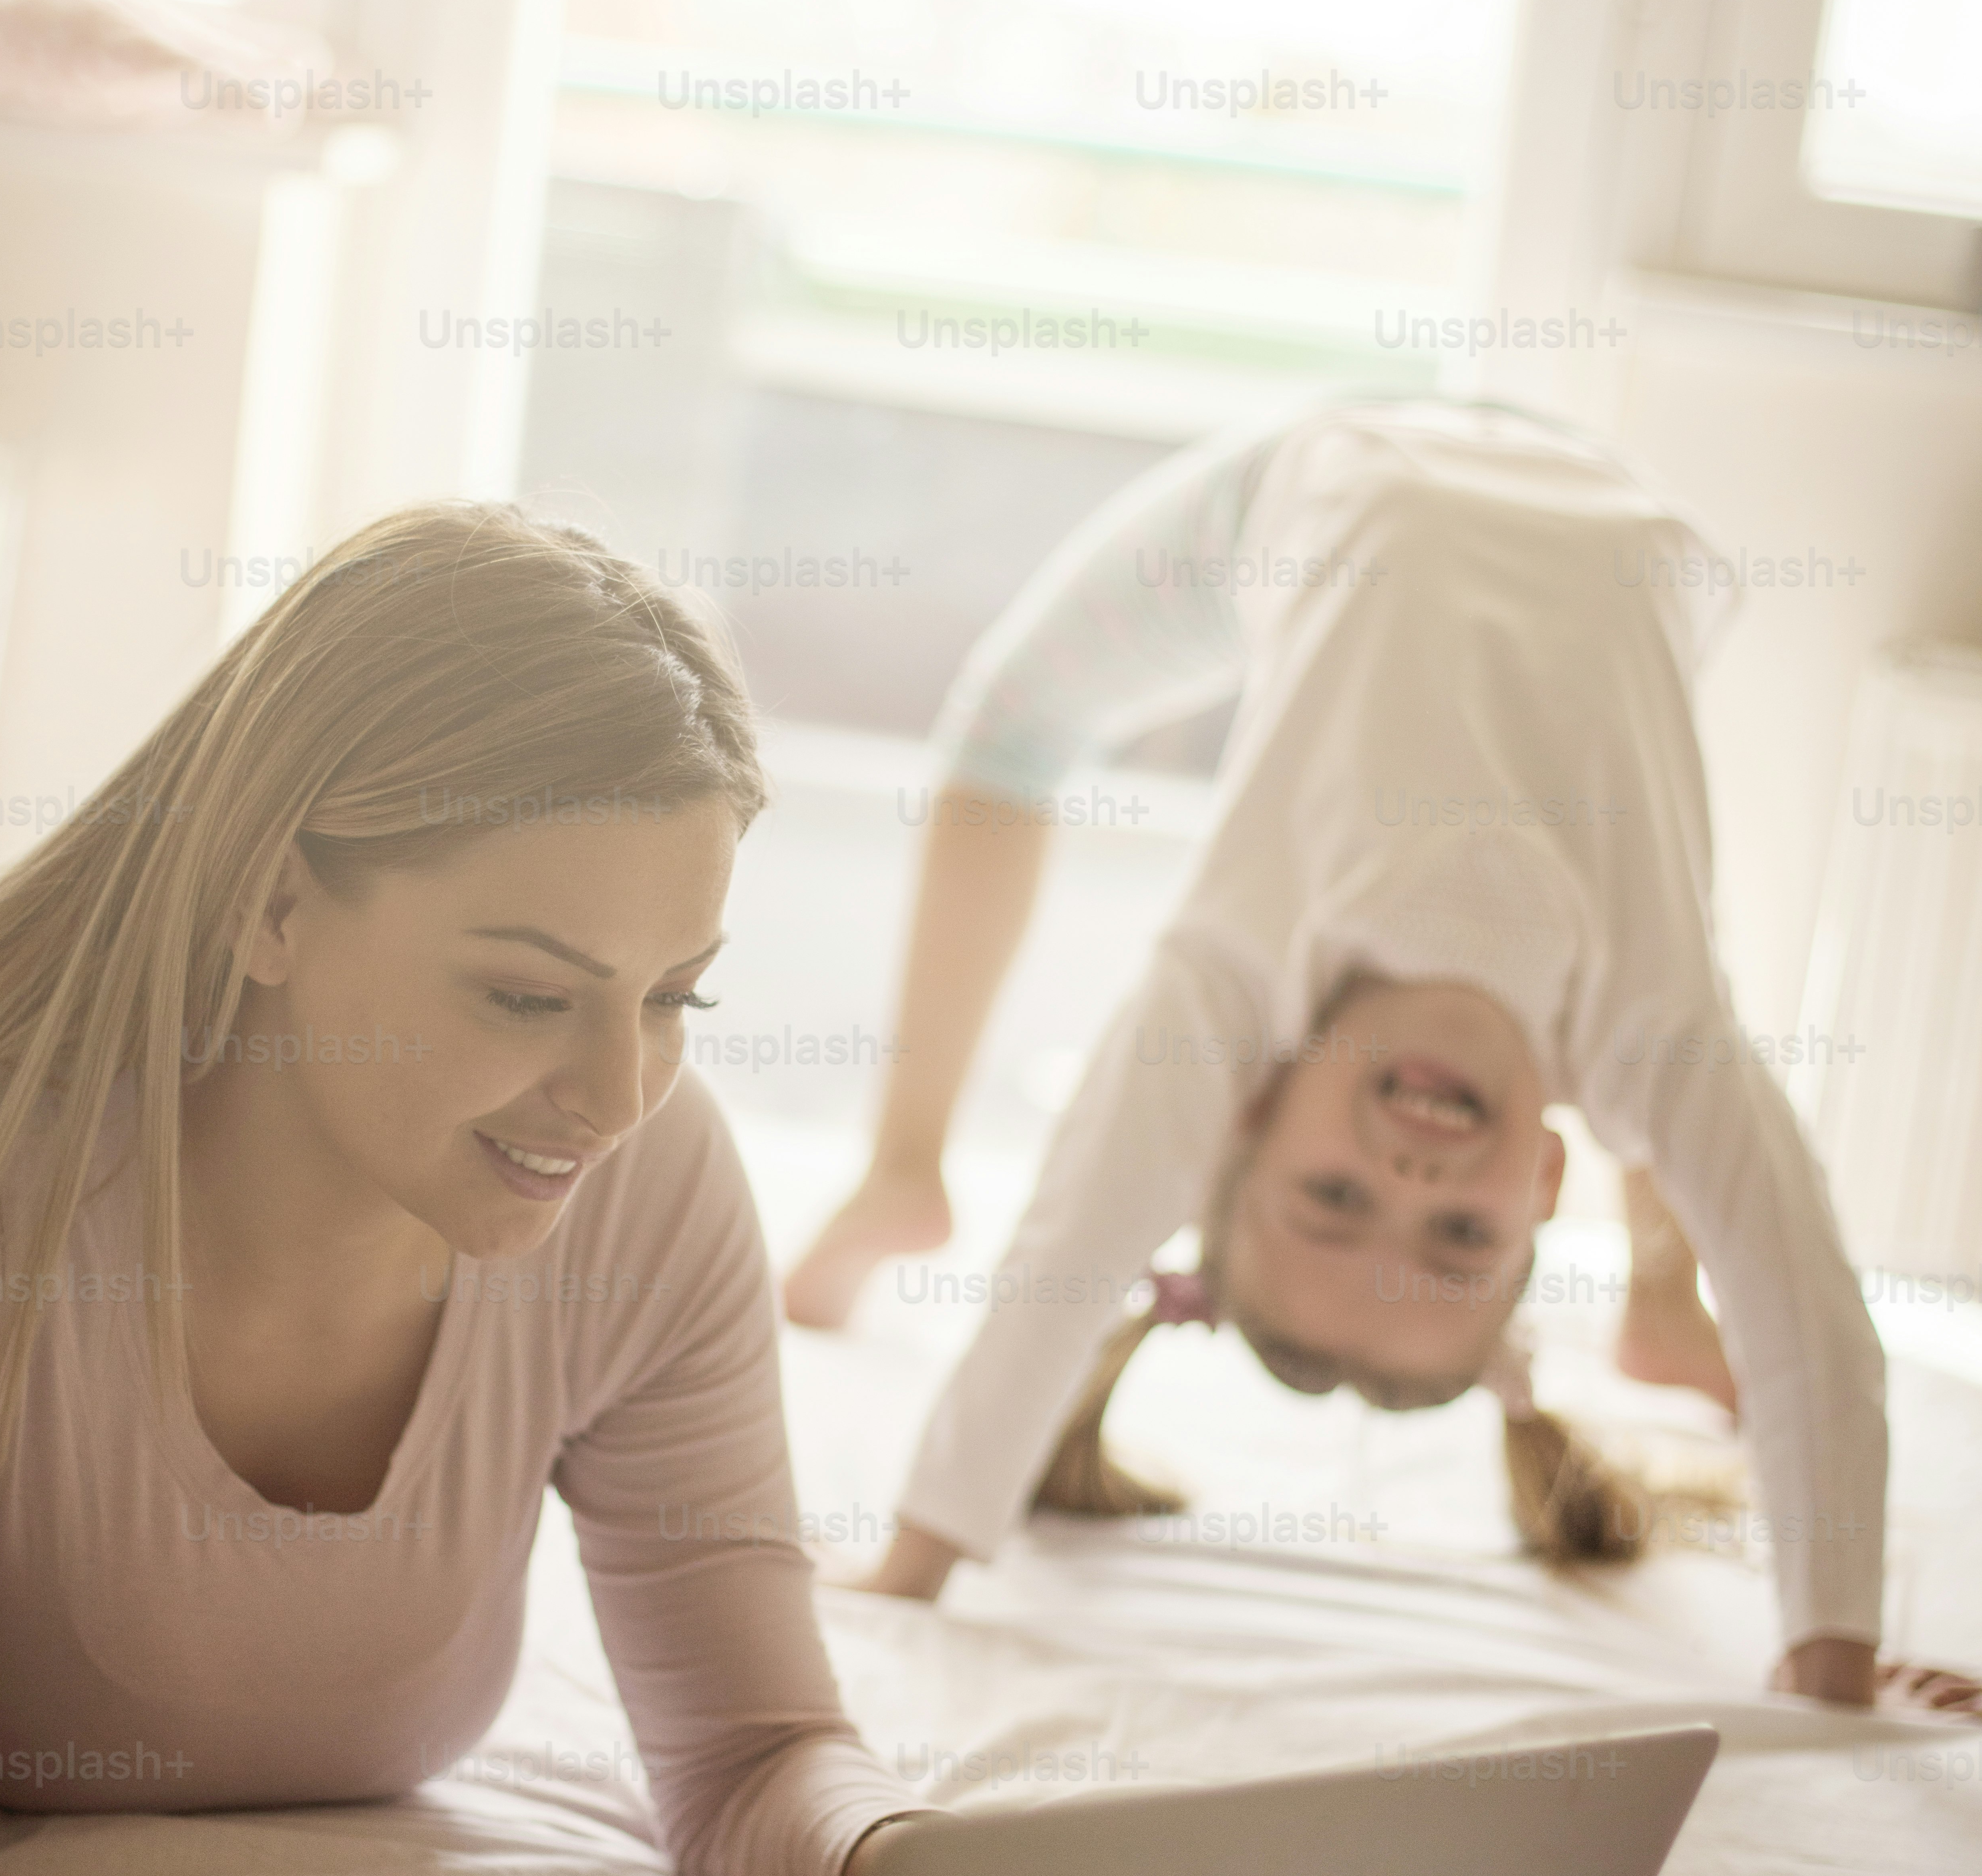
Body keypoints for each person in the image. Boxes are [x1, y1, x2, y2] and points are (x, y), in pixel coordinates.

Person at [0, 509, 926, 1876]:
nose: (617, 1093)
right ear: (273, 900)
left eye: (673, 998)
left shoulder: (651, 1178)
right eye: (525, 993)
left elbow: (753, 1749)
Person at [787, 400, 1975, 1715]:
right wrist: (1834, 1661)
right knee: (1683, 963)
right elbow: (1808, 1311)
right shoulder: (1645, 1029)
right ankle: (1662, 1285)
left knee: (1010, 725)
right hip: (1618, 533)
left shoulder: (1240, 982)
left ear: (1243, 1117)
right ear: (1539, 1182)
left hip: (1334, 468)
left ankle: (905, 1165)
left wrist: (919, 1553)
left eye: (1337, 1200)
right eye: (1458, 1235)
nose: (1410, 1171)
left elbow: (1078, 1239)